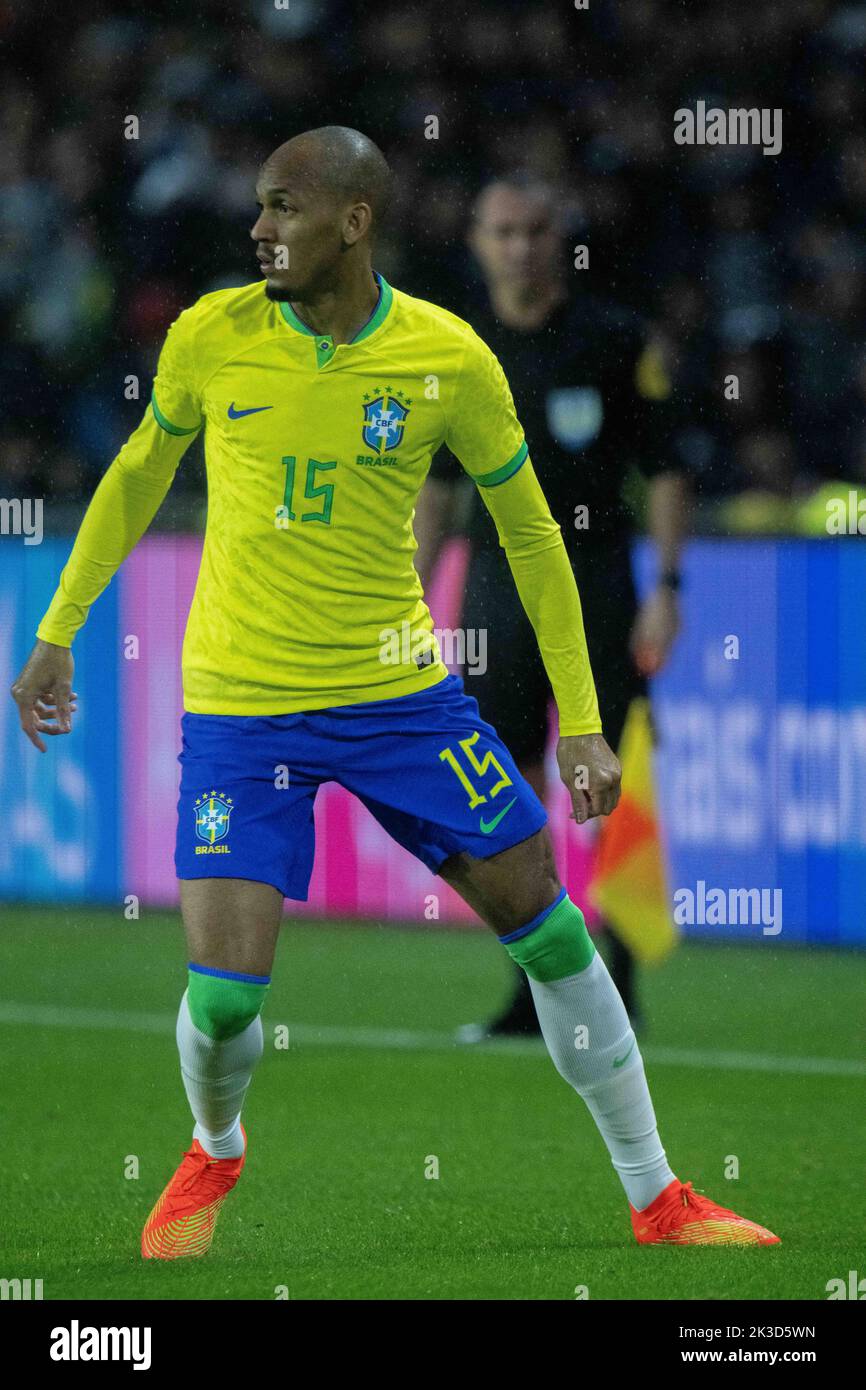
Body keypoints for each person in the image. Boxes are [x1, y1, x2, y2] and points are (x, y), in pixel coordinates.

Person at [11, 127, 778, 1256]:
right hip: (240, 703)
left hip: (400, 702)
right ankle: (214, 1142)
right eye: (260, 208)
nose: (258, 230)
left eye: (283, 208)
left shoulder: (446, 357)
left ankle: (657, 1194)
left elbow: (529, 532)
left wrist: (578, 717)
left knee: (550, 930)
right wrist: (55, 633)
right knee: (224, 1000)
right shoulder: (209, 337)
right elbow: (136, 476)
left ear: (354, 222)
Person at [414, 174, 689, 1038]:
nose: (520, 248)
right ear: (476, 239)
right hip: (495, 582)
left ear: (558, 236)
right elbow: (439, 485)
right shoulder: (461, 349)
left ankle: (623, 980)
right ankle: (537, 987)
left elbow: (670, 468)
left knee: (609, 769)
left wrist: (669, 590)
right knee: (506, 784)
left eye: (535, 231)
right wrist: (405, 597)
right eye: (503, 232)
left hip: (599, 579)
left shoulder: (611, 341)